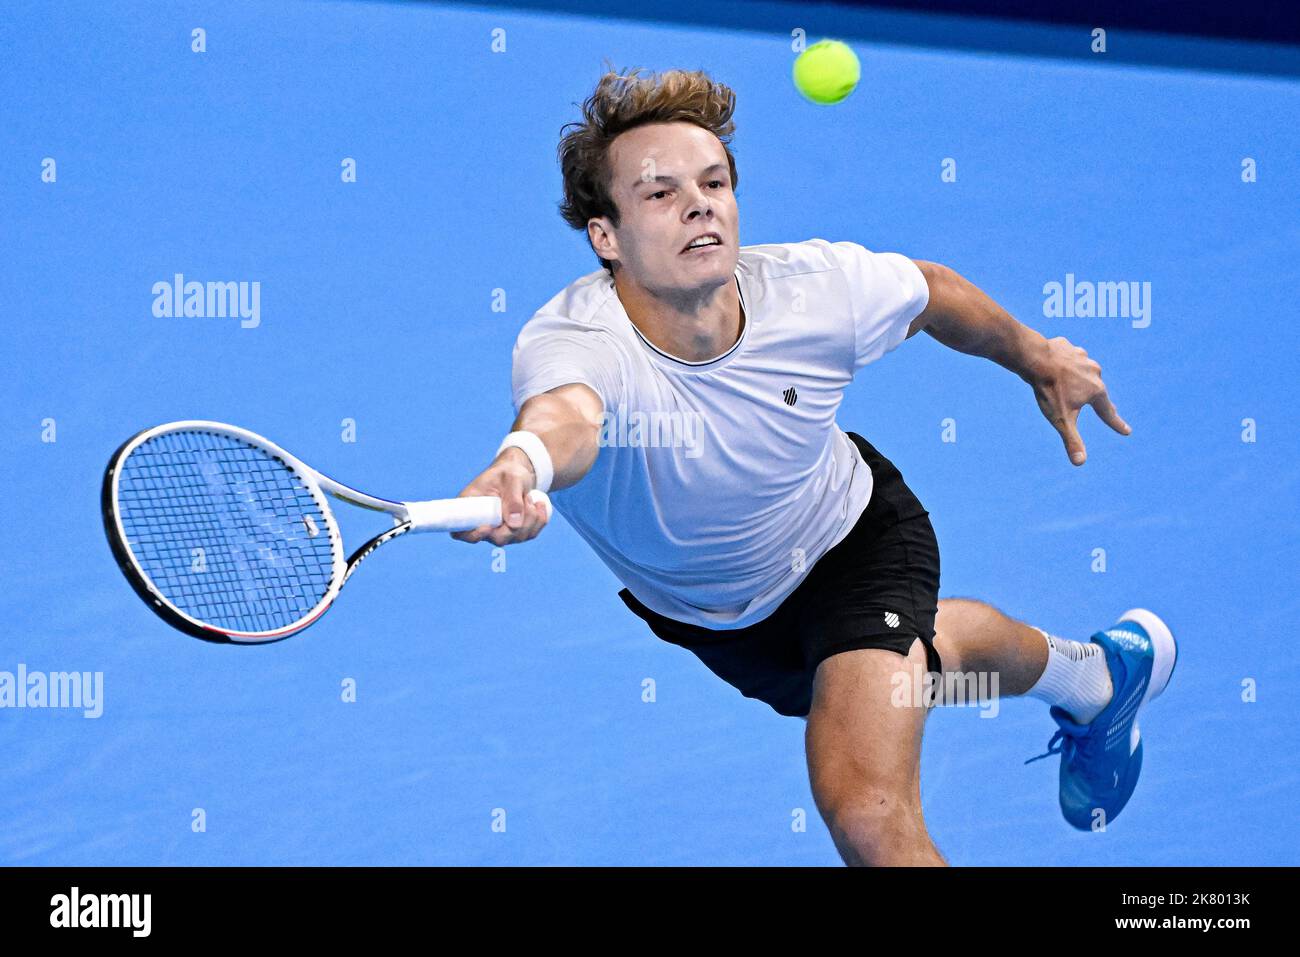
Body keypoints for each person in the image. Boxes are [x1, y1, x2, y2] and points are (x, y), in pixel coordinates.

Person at [451, 66, 1177, 865]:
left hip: (852, 542)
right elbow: (568, 417)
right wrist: (522, 462)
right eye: (660, 193)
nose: (700, 203)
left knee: (866, 811)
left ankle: (1090, 681)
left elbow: (931, 293)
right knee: (925, 668)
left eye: (715, 182)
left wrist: (1039, 357)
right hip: (721, 619)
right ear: (606, 236)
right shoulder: (575, 341)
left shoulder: (813, 292)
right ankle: (1098, 679)